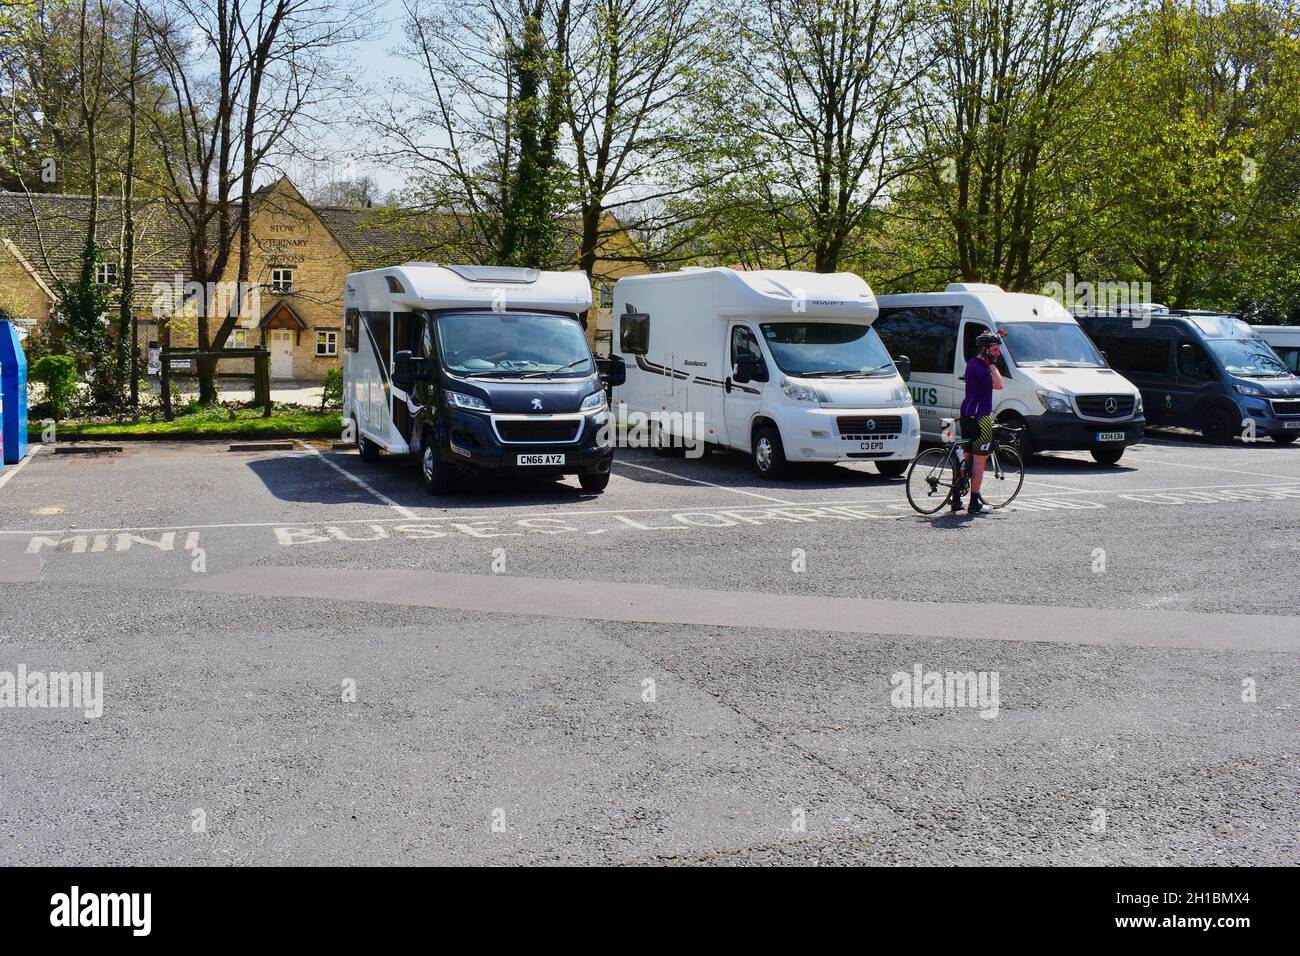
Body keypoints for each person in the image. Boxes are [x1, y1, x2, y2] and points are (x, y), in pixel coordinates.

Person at [955, 331, 1005, 514]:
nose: (998, 354)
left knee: (966, 457)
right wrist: (991, 365)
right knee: (979, 462)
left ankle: (956, 498)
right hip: (980, 418)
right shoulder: (982, 367)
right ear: (984, 350)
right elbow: (999, 384)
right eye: (995, 350)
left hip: (966, 414)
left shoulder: (971, 364)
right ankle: (974, 502)